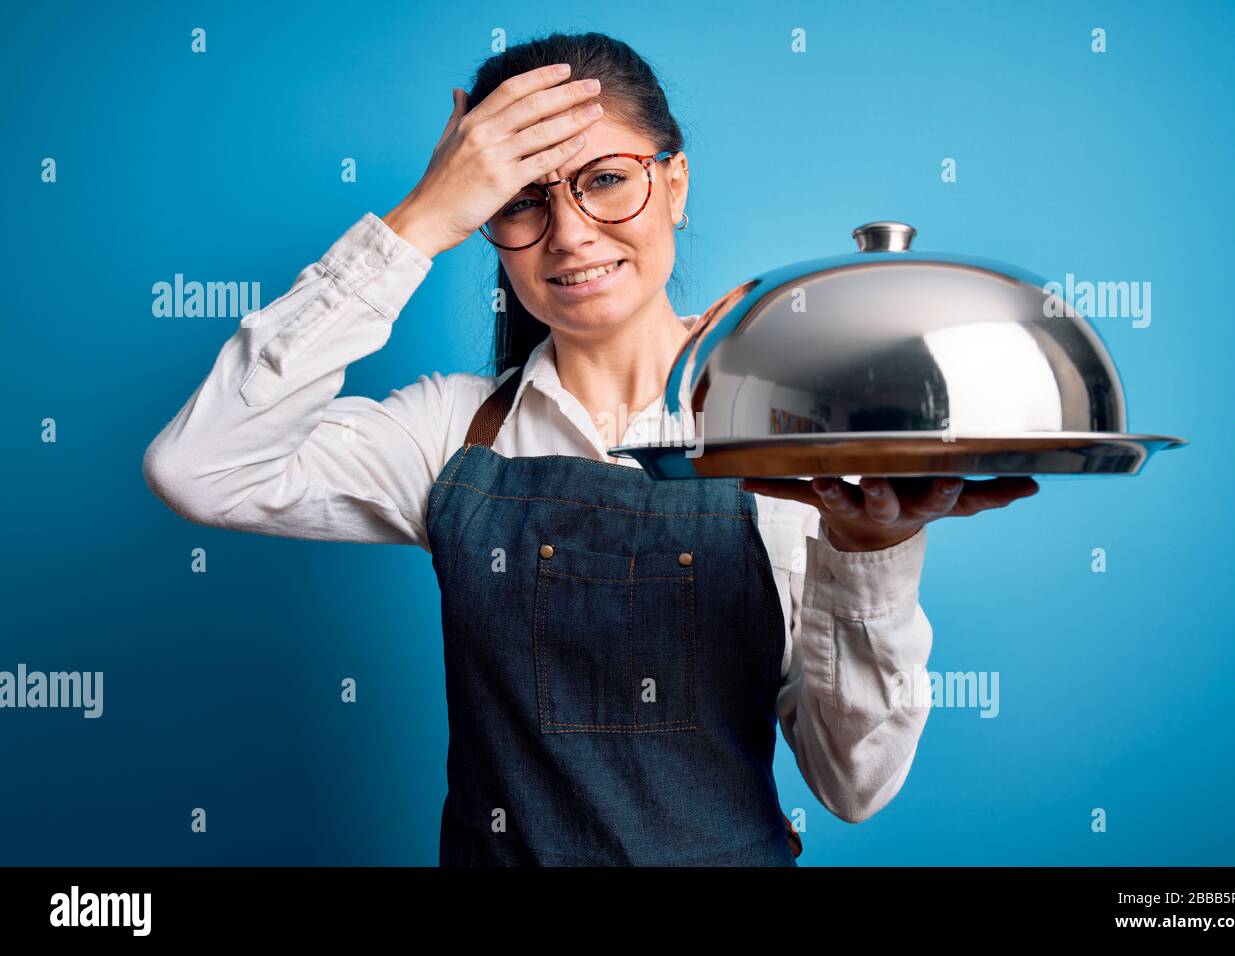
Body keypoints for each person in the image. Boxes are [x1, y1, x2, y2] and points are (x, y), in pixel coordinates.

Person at [142, 31, 1038, 866]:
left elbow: (854, 787)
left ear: (675, 183)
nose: (568, 234)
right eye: (521, 201)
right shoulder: (447, 431)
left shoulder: (789, 431)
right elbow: (201, 467)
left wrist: (870, 556)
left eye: (606, 180)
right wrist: (417, 221)